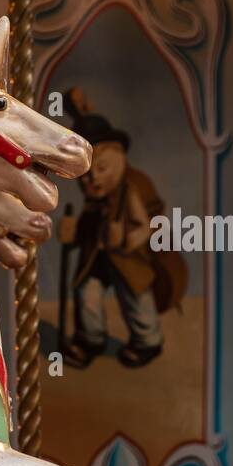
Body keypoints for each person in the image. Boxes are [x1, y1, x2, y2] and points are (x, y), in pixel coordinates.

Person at [58, 91, 168, 369]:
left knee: (135, 297)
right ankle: (90, 339)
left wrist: (130, 239)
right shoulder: (95, 200)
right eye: (85, 177)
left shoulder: (132, 188)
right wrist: (73, 232)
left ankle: (147, 341)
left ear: (118, 157)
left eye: (102, 168)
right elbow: (87, 228)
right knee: (87, 292)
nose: (93, 180)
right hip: (99, 255)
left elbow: (151, 225)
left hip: (128, 258)